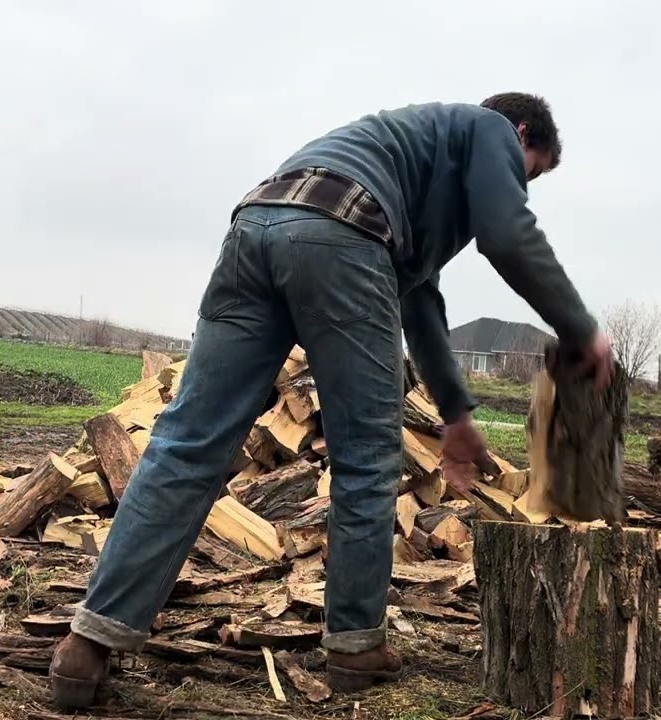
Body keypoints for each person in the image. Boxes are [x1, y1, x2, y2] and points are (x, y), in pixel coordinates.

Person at [49, 92, 614, 710]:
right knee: (367, 454)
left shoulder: (414, 161)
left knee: (188, 442)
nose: (518, 185)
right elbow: (507, 235)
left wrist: (456, 414)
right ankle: (353, 646)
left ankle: (90, 641)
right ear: (522, 132)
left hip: (257, 223)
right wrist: (581, 331)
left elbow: (418, 298)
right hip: (341, 233)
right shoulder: (488, 128)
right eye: (527, 172)